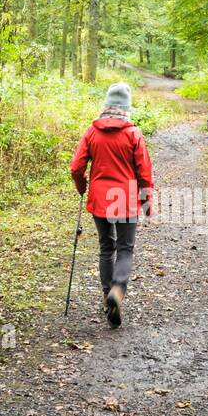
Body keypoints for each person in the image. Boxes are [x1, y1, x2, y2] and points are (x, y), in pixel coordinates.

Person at [69, 81, 154, 327]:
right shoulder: (133, 133)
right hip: (125, 198)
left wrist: (81, 186)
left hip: (99, 198)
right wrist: (146, 202)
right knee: (125, 248)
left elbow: (76, 167)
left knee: (107, 247)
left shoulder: (92, 131)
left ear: (106, 105)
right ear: (127, 108)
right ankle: (118, 290)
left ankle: (108, 298)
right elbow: (144, 173)